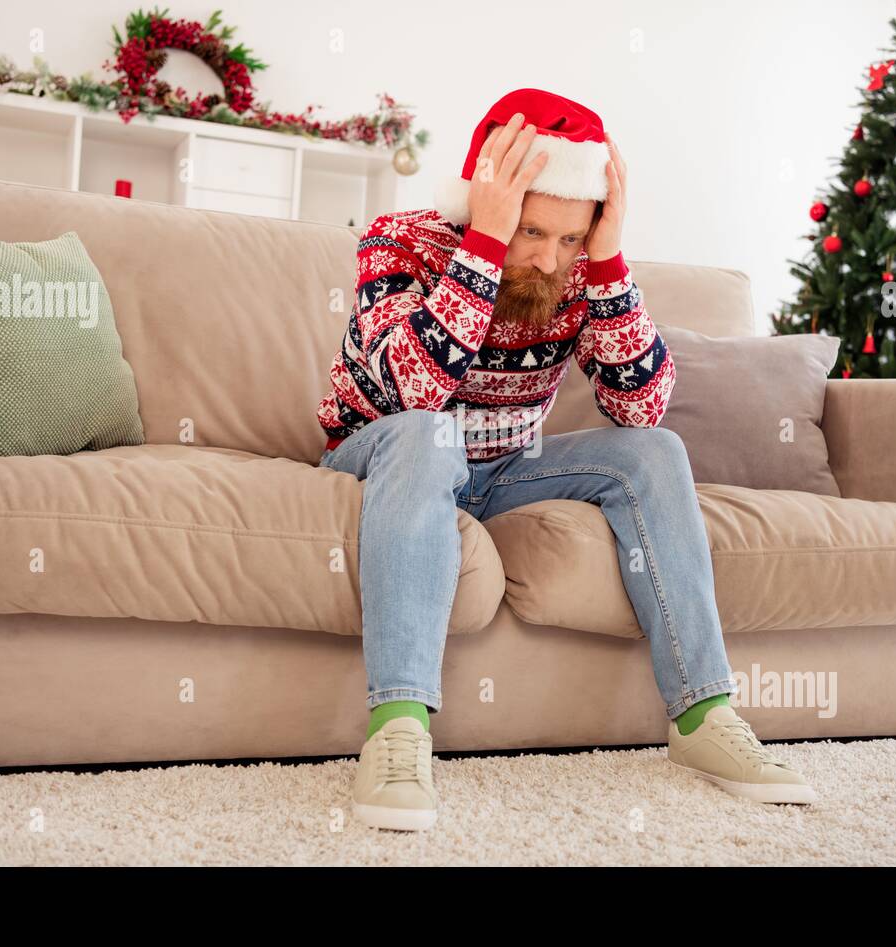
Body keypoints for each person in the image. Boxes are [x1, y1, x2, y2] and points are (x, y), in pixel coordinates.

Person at [315, 88, 816, 831]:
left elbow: (640, 408)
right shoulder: (399, 241)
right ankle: (398, 732)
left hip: (505, 469)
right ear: (485, 198)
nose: (549, 259)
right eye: (530, 230)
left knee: (654, 451)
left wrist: (608, 264)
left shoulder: (578, 271)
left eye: (571, 238)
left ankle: (704, 717)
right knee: (431, 434)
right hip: (385, 456)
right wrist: (483, 250)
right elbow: (412, 391)